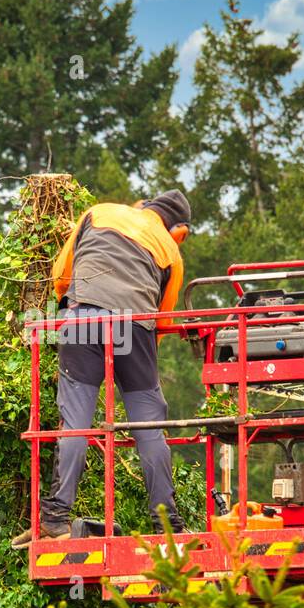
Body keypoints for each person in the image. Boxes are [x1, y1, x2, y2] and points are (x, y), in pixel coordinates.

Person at [12, 190, 191, 547]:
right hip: (135, 328)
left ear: (142, 206)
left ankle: (55, 518)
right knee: (149, 427)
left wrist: (77, 308)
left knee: (75, 421)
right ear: (179, 231)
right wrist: (136, 362)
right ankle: (168, 525)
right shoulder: (171, 252)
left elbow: (60, 276)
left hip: (82, 318)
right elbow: (163, 317)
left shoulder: (99, 212)